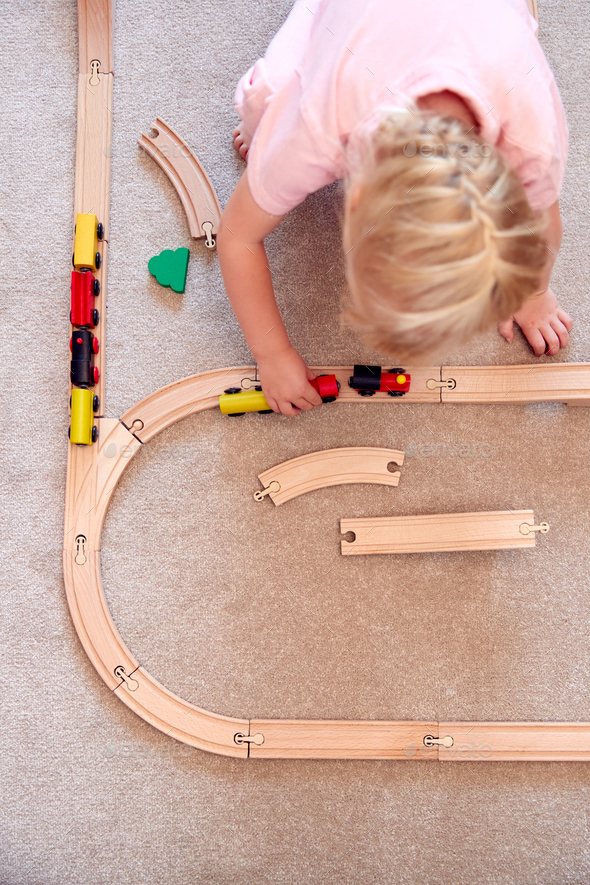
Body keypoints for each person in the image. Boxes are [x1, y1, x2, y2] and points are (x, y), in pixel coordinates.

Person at [216, 0, 572, 416]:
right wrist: (272, 354)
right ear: (355, 191)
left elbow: (542, 225)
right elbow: (237, 236)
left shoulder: (533, 141)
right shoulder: (319, 126)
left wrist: (535, 292)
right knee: (261, 104)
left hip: (490, 23)